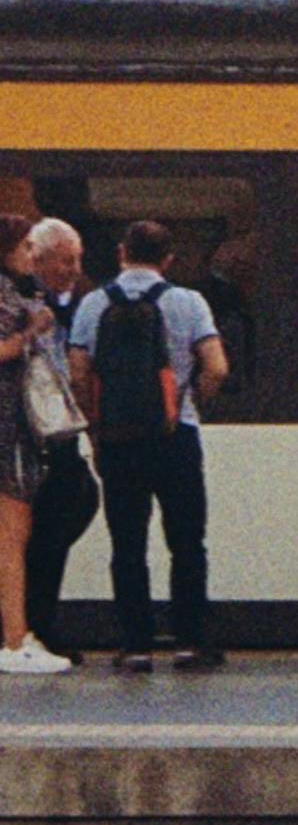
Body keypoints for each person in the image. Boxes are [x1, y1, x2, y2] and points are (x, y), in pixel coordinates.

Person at [68, 215, 227, 671]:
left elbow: (79, 372)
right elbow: (216, 367)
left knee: (128, 543)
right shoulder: (189, 302)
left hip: (118, 440)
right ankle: (191, 643)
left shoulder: (94, 303)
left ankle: (135, 646)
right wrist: (190, 402)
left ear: (122, 253)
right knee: (187, 541)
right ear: (168, 259)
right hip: (177, 436)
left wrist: (96, 429)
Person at [19, 220, 97, 662]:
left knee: (68, 510)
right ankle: (34, 625)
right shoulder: (26, 303)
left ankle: (34, 621)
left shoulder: (60, 303)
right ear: (38, 257)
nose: (74, 269)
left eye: (78, 259)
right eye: (67, 260)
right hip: (34, 436)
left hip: (53, 432)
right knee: (55, 521)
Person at [0, 218, 73, 678]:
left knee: (12, 536)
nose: (32, 254)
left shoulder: (16, 292)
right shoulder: (7, 297)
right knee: (12, 537)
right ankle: (14, 639)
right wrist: (30, 333)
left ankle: (17, 634)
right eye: (25, 246)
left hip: (11, 428)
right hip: (5, 429)